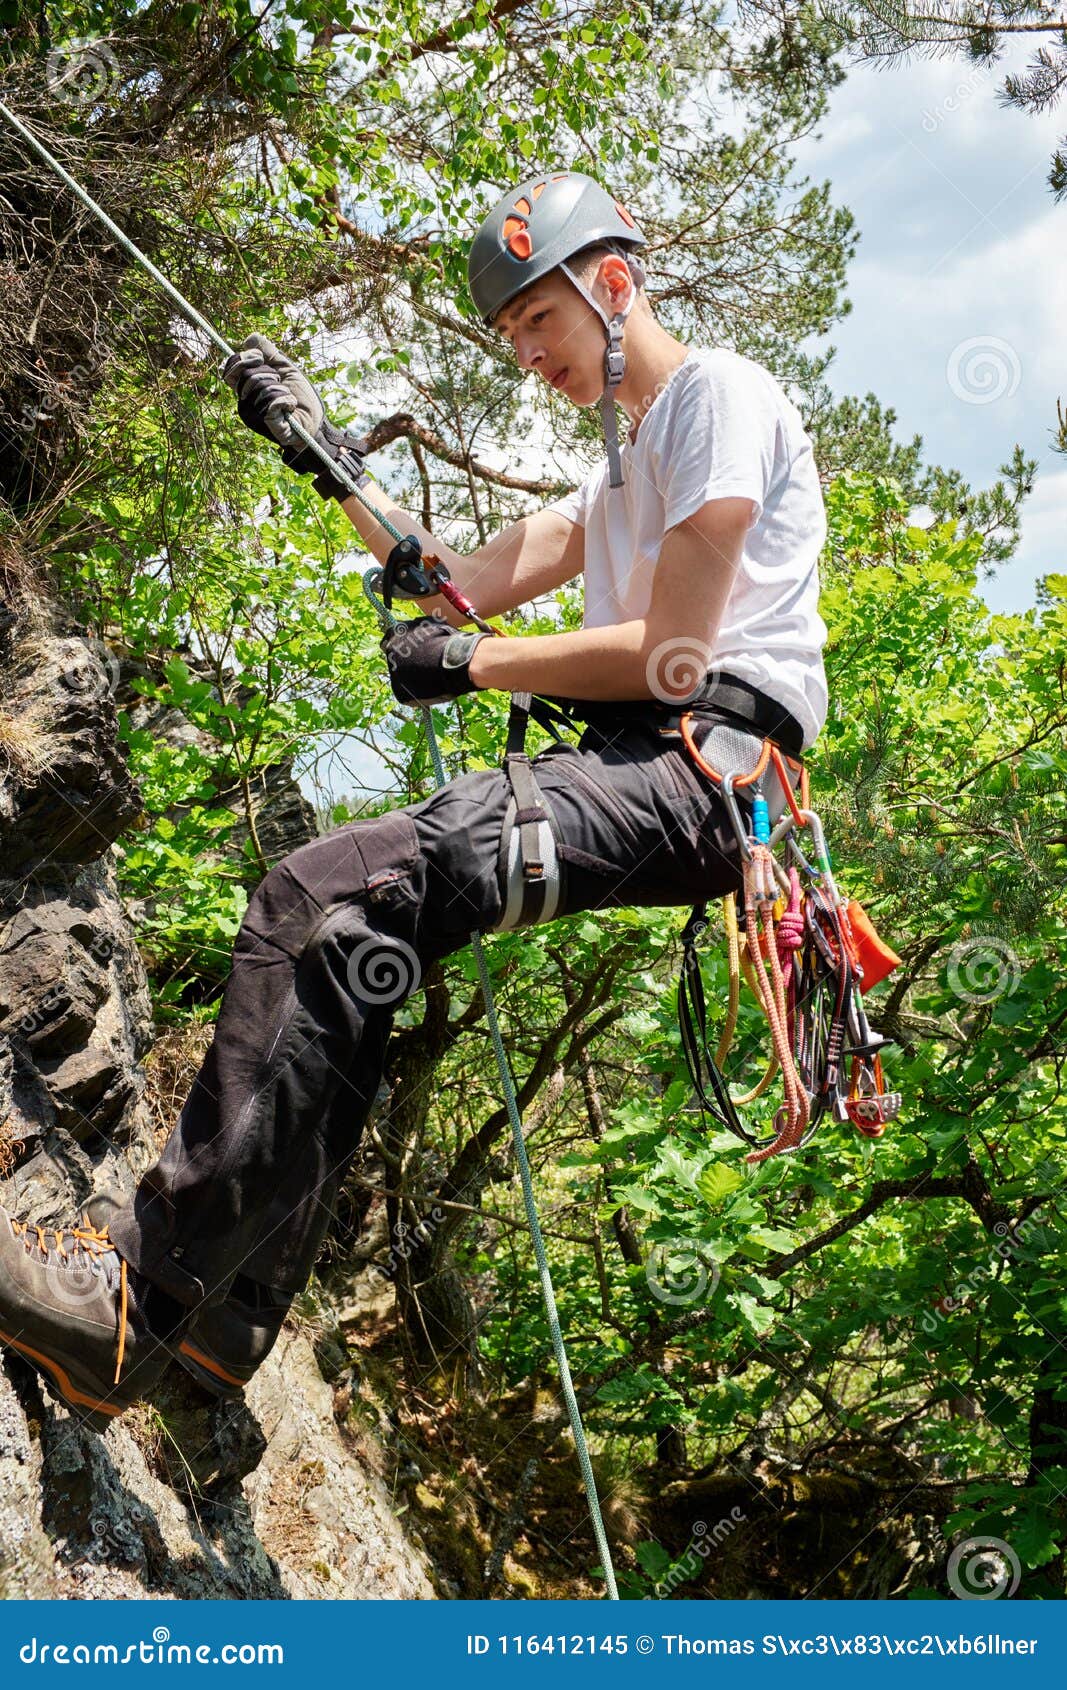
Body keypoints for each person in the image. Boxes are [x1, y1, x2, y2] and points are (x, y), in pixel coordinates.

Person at [0, 171, 828, 1433]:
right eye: (507, 338)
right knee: (355, 937)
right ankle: (223, 1325)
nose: (525, 355)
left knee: (313, 886)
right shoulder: (614, 473)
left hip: (697, 771)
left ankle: (126, 1300)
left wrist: (478, 661)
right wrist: (315, 451)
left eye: (535, 320)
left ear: (611, 284)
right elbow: (453, 587)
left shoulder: (716, 397)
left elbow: (669, 652)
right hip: (646, 769)